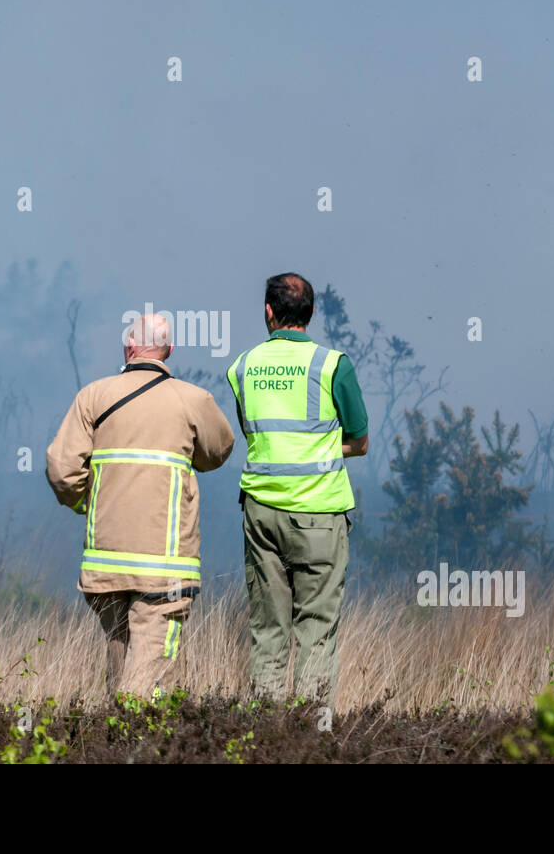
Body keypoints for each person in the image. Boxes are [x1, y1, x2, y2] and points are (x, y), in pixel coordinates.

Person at [46, 313, 235, 697]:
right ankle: (136, 742)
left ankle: (110, 743)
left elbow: (62, 470)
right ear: (168, 351)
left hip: (104, 567)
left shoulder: (92, 396)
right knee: (149, 676)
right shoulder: (193, 399)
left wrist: (86, 502)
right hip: (163, 567)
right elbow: (219, 451)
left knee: (121, 661)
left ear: (129, 347)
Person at [225, 272, 369, 705]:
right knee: (316, 630)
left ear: (268, 312)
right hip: (320, 515)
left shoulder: (242, 368)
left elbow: (255, 434)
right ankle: (308, 735)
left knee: (267, 630)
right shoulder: (333, 364)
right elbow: (359, 441)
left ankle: (265, 737)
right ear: (310, 313)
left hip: (261, 512)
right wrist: (322, 450)